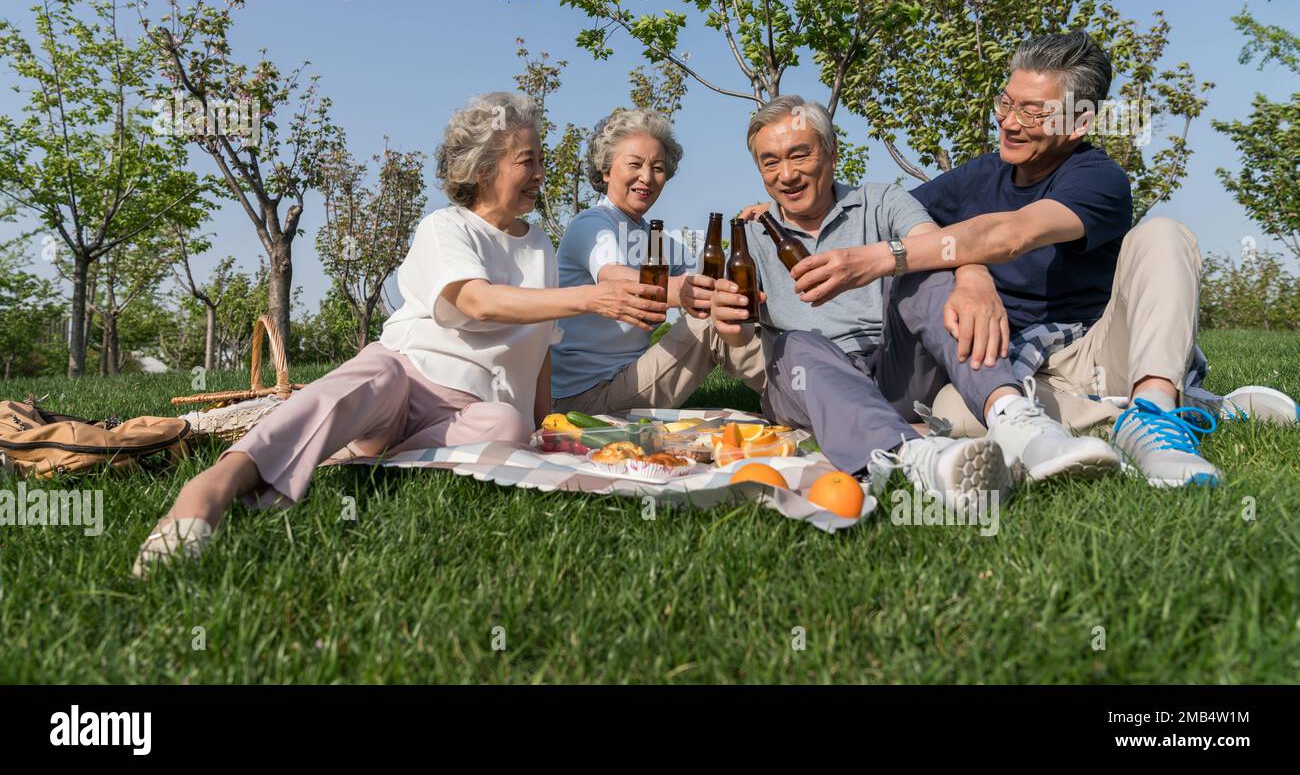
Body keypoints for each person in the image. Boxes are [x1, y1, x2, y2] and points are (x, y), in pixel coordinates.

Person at [133, 92, 664, 577]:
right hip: (406, 377)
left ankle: (364, 452)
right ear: (482, 169)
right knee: (372, 375)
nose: (540, 174)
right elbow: (475, 300)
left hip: (468, 411)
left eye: (540, 161)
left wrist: (545, 426)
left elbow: (542, 345)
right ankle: (211, 490)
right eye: (528, 161)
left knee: (509, 428)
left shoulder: (540, 246)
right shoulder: (446, 227)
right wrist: (590, 297)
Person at [802, 31, 1245, 486]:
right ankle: (1166, 407)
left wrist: (887, 257)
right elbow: (888, 214)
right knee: (953, 413)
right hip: (1011, 362)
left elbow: (1013, 233)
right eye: (1006, 103)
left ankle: (1153, 413)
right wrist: (783, 213)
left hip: (1093, 350)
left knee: (1164, 234)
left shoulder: (1098, 179)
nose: (1010, 123)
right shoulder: (979, 175)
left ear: (1079, 124)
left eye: (1032, 111)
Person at [711, 95, 1121, 509]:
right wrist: (729, 323)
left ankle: (1014, 419)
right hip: (810, 379)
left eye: (800, 155)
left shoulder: (881, 200)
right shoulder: (751, 236)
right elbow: (739, 328)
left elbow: (938, 245)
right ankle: (915, 458)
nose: (787, 174)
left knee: (925, 267)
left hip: (898, 371)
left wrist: (973, 274)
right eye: (770, 162)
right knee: (793, 344)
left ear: (831, 153)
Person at [551, 107, 765, 415]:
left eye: (658, 167)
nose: (647, 177)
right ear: (607, 170)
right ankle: (802, 396)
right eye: (635, 165)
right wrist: (681, 290)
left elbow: (710, 281)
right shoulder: (592, 223)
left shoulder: (654, 238)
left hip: (628, 378)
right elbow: (614, 277)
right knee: (707, 322)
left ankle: (807, 387)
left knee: (718, 310)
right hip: (584, 401)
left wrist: (758, 232)